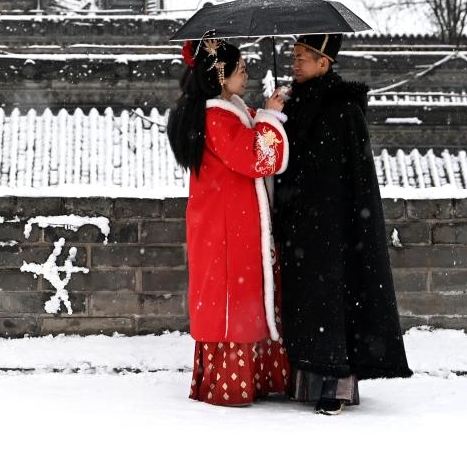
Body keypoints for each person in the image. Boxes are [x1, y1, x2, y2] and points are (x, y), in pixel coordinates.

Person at [273, 33, 412, 416]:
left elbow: (356, 176)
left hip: (334, 226)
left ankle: (337, 384)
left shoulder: (343, 109)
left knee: (334, 307)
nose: (296, 63)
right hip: (301, 224)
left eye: (304, 57)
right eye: (295, 56)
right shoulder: (294, 104)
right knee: (306, 307)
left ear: (325, 62)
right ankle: (307, 380)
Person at [167, 37, 291, 407]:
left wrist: (265, 113)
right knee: (233, 303)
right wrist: (269, 117)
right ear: (220, 76)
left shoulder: (224, 112)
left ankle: (237, 379)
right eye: (241, 70)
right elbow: (258, 158)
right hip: (228, 230)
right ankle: (232, 383)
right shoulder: (217, 118)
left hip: (224, 225)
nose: (246, 75)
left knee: (235, 300)